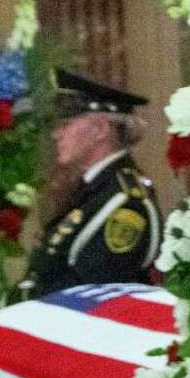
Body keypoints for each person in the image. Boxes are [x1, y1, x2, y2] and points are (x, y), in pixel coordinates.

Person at [22, 68, 162, 298]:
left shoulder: (125, 202)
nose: (57, 134)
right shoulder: (93, 190)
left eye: (66, 123)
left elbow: (86, 294)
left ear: (99, 130)